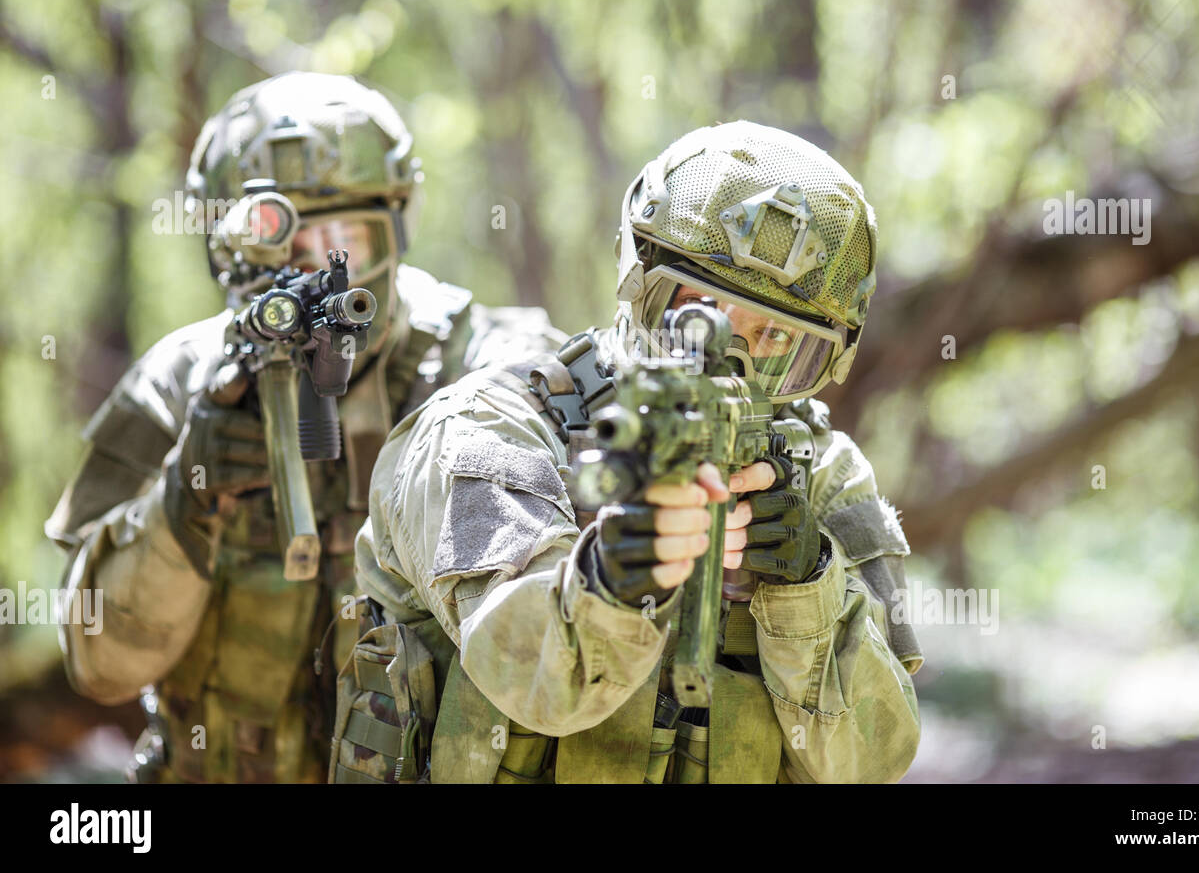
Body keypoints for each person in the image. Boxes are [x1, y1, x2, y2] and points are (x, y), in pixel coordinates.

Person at [334, 120, 923, 784]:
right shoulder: (487, 428)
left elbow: (873, 761)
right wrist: (613, 581)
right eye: (699, 315)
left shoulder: (822, 474)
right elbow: (536, 683)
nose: (735, 361)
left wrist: (805, 584)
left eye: (781, 342)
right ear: (639, 281)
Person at [44, 72, 565, 783]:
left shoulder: (485, 364)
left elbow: (575, 629)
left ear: (399, 226)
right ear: (225, 251)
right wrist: (183, 505)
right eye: (277, 244)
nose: (313, 276)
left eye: (344, 240)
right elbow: (100, 666)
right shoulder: (180, 382)